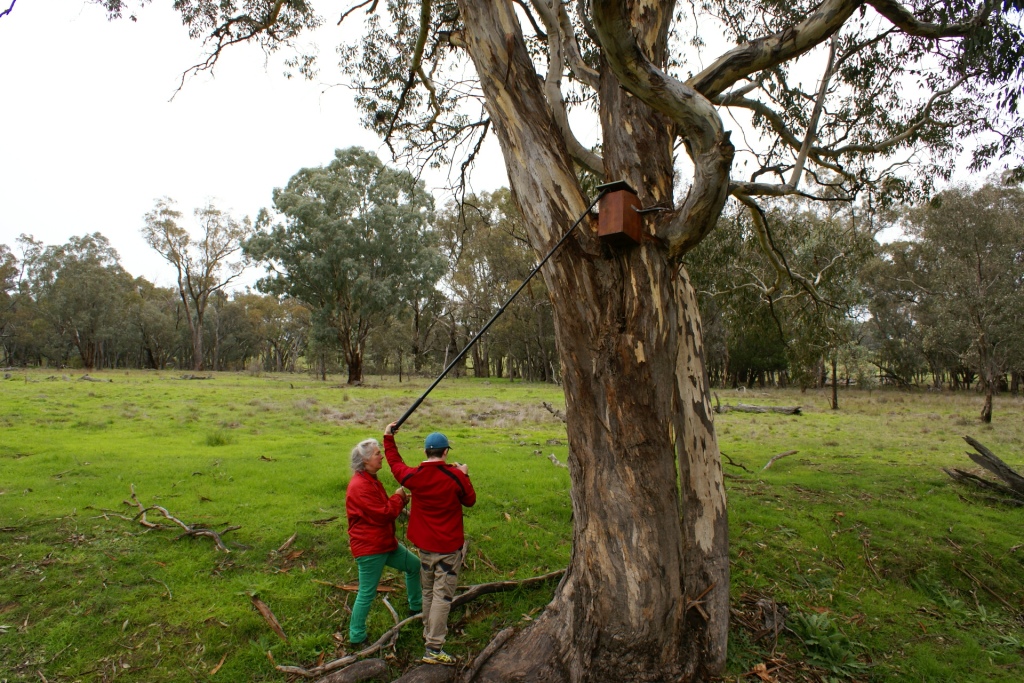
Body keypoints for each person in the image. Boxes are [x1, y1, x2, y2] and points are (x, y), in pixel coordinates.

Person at [383, 423, 476, 666]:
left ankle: (429, 630)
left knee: (428, 589)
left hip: (425, 546)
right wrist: (464, 474)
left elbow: (395, 463)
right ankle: (433, 647)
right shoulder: (455, 476)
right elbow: (470, 500)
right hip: (448, 548)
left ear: (426, 452)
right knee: (442, 596)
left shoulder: (414, 476)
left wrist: (388, 437)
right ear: (445, 452)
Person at [345, 438, 422, 648]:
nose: (381, 457)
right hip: (370, 547)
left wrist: (397, 499)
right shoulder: (360, 485)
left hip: (385, 542)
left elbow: (380, 509)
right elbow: (383, 514)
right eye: (378, 454)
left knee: (414, 566)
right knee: (367, 592)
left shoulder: (369, 479)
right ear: (365, 459)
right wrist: (398, 498)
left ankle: (416, 608)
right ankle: (357, 637)